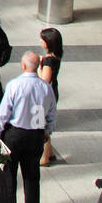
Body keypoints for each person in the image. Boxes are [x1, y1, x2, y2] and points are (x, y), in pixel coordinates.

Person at [0, 51, 56, 203]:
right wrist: (47, 132)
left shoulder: (14, 85)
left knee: (9, 176)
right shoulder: (46, 88)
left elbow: (4, 113)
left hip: (14, 135)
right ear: (38, 67)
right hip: (35, 136)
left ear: (23, 66)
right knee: (32, 177)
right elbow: (51, 113)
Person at [38, 27, 63, 165]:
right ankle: (50, 153)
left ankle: (44, 157)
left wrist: (39, 68)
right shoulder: (56, 56)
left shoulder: (48, 60)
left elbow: (44, 80)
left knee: (43, 124)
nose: (40, 41)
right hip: (54, 91)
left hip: (46, 94)